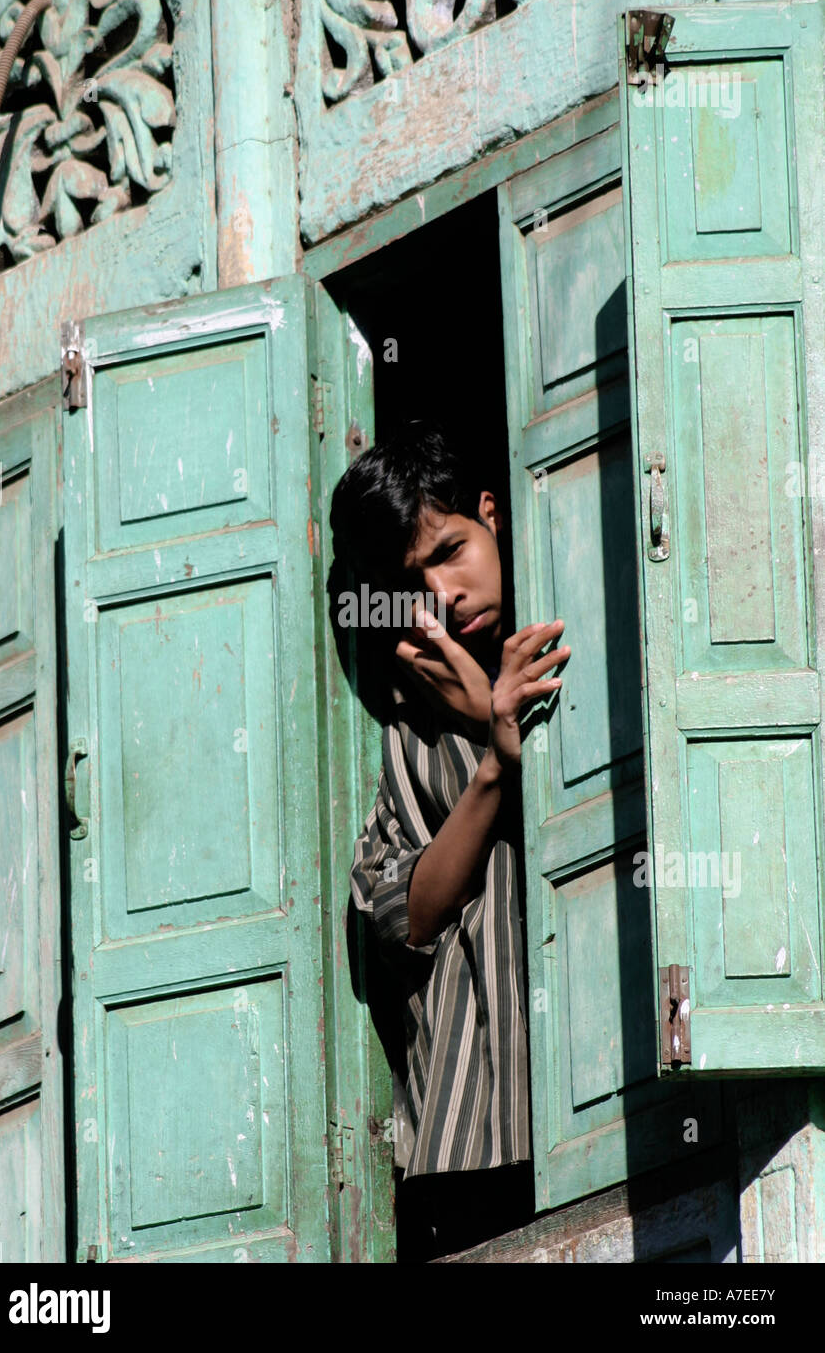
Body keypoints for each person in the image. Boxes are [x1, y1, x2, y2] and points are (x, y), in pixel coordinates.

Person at [329, 423, 570, 1261]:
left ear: (492, 514)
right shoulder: (408, 732)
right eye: (413, 581)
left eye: (452, 550)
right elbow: (407, 917)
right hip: (464, 1143)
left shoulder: (567, 657)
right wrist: (488, 759)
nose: (444, 593)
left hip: (586, 1111)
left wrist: (495, 717)